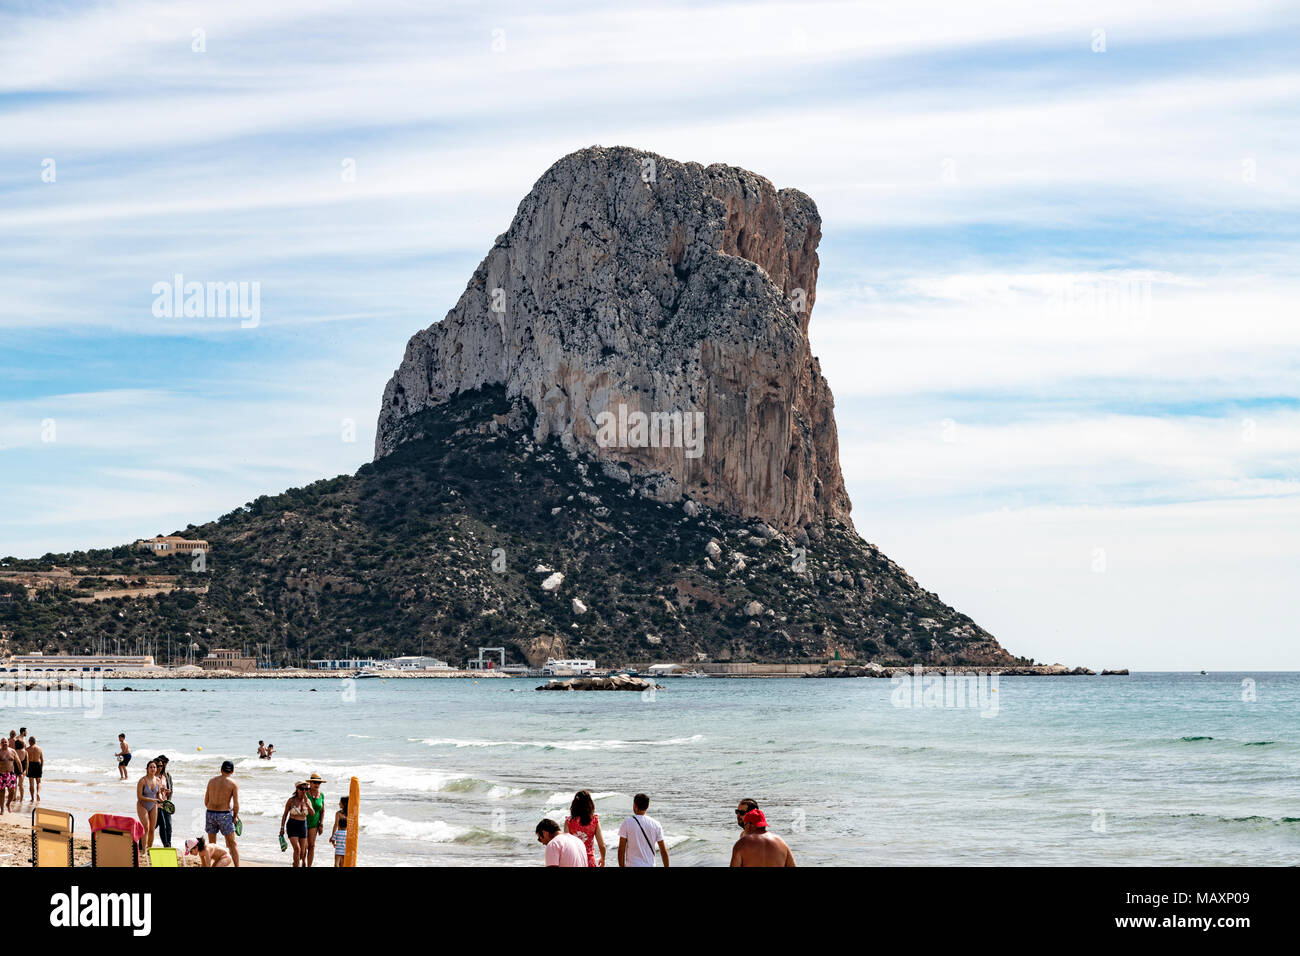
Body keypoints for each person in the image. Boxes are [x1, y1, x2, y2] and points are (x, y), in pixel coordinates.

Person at [203, 760, 241, 866]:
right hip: (224, 814)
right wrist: (235, 816)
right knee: (232, 844)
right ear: (232, 771)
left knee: (212, 844)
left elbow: (206, 802)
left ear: (221, 769)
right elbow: (236, 804)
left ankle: (209, 865)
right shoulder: (233, 784)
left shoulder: (211, 781)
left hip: (210, 813)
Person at [730, 808, 796, 867]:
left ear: (750, 825)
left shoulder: (741, 844)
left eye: (745, 824)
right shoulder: (781, 842)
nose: (745, 828)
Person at [617, 793, 669, 867]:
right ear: (647, 806)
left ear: (635, 805)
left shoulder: (627, 822)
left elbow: (621, 850)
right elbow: (663, 850)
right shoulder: (656, 824)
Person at [564, 789, 605, 868]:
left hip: (574, 860)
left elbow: (566, 845)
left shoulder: (569, 821)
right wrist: (603, 858)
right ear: (590, 804)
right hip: (589, 860)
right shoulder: (594, 821)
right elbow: (602, 845)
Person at [280, 781, 312, 867]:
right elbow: (285, 815)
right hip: (292, 825)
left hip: (303, 826)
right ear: (297, 789)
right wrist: (282, 828)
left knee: (302, 851)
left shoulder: (308, 801)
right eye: (302, 789)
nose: (304, 791)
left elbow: (312, 813)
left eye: (306, 789)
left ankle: (295, 864)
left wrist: (308, 804)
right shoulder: (291, 800)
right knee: (297, 849)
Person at [136, 760, 162, 849]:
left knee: (152, 829)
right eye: (150, 767)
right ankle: (143, 850)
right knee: (146, 828)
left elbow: (159, 793)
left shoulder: (158, 780)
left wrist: (161, 797)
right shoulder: (142, 781)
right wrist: (152, 799)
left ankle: (149, 849)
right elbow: (139, 797)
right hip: (142, 805)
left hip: (153, 805)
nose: (153, 769)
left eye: (154, 767)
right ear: (147, 769)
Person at [304, 772, 326, 867]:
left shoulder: (321, 795)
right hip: (303, 822)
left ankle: (309, 865)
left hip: (314, 823)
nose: (317, 785)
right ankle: (303, 862)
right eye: (315, 782)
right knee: (304, 846)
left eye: (318, 783)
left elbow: (322, 811)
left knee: (312, 846)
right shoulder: (305, 793)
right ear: (310, 783)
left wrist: (321, 824)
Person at [155, 755, 174, 848]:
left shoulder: (166, 775)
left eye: (164, 764)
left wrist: (168, 793)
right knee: (159, 825)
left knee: (168, 826)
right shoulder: (153, 776)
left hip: (166, 804)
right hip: (157, 805)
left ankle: (168, 844)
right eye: (161, 765)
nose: (163, 766)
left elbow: (170, 788)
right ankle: (166, 845)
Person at [0, 739, 19, 814]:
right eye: (2, 742)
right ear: (0, 743)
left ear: (8, 743)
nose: (4, 743)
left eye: (5, 742)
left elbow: (18, 761)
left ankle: (8, 804)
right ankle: (2, 809)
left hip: (11, 774)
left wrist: (20, 772)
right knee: (1, 792)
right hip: (1, 774)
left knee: (12, 792)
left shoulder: (13, 751)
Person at [329, 796, 349, 867]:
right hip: (347, 838)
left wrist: (333, 836)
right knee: (343, 860)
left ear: (344, 804)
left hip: (339, 837)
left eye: (340, 802)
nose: (339, 804)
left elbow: (336, 825)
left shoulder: (338, 813)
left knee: (338, 859)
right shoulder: (350, 814)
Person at [25, 737, 43, 802]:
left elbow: (26, 761)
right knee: (38, 782)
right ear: (35, 741)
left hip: (30, 765)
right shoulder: (39, 748)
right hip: (37, 764)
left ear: (30, 741)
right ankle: (38, 793)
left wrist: (26, 769)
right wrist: (41, 768)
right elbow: (42, 759)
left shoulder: (27, 749)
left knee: (31, 783)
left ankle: (32, 798)